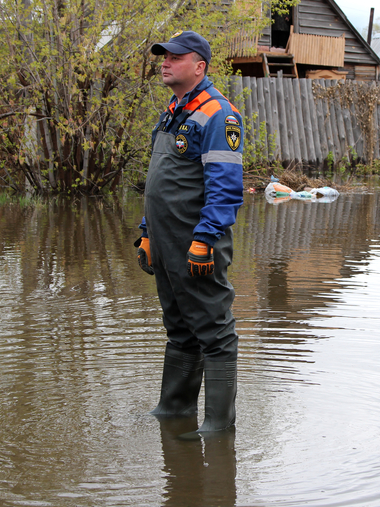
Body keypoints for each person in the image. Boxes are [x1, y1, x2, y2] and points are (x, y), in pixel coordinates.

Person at [134, 30, 244, 437]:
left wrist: (205, 239)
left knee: (214, 331)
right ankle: (174, 410)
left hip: (197, 242)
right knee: (179, 328)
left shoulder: (219, 114)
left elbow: (226, 187)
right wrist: (147, 232)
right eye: (162, 55)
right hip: (165, 242)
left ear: (199, 66)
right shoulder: (173, 110)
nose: (164, 61)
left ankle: (218, 426)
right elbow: (159, 181)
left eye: (175, 57)